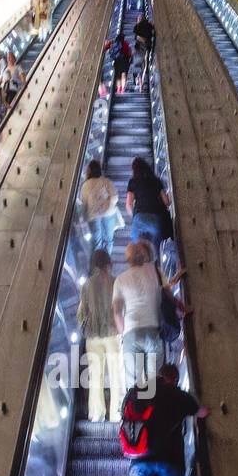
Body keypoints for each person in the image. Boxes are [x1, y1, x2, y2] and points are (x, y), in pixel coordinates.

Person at [78, 249, 124, 423]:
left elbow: (81, 314)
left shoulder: (86, 285)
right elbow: (120, 309)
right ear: (108, 264)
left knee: (95, 376)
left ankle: (96, 414)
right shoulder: (115, 282)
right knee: (116, 375)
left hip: (92, 336)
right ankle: (116, 414)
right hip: (112, 335)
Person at [112, 240, 165, 392]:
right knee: (154, 381)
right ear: (142, 255)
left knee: (134, 381)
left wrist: (123, 334)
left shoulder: (120, 280)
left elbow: (117, 312)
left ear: (127, 260)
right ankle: (154, 411)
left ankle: (135, 412)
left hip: (131, 332)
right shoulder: (154, 271)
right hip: (153, 331)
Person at [126, 156, 172, 250]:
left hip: (139, 217)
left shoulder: (133, 181)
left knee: (136, 250)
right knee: (155, 250)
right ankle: (155, 262)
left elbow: (128, 205)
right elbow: (166, 202)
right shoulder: (156, 181)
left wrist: (134, 216)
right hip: (155, 218)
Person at [80, 159, 122, 255]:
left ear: (89, 171)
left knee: (96, 243)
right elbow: (115, 197)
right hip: (108, 214)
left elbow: (84, 203)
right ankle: (107, 263)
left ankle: (98, 266)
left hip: (93, 216)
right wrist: (107, 205)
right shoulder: (106, 181)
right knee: (109, 240)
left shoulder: (85, 185)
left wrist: (84, 219)